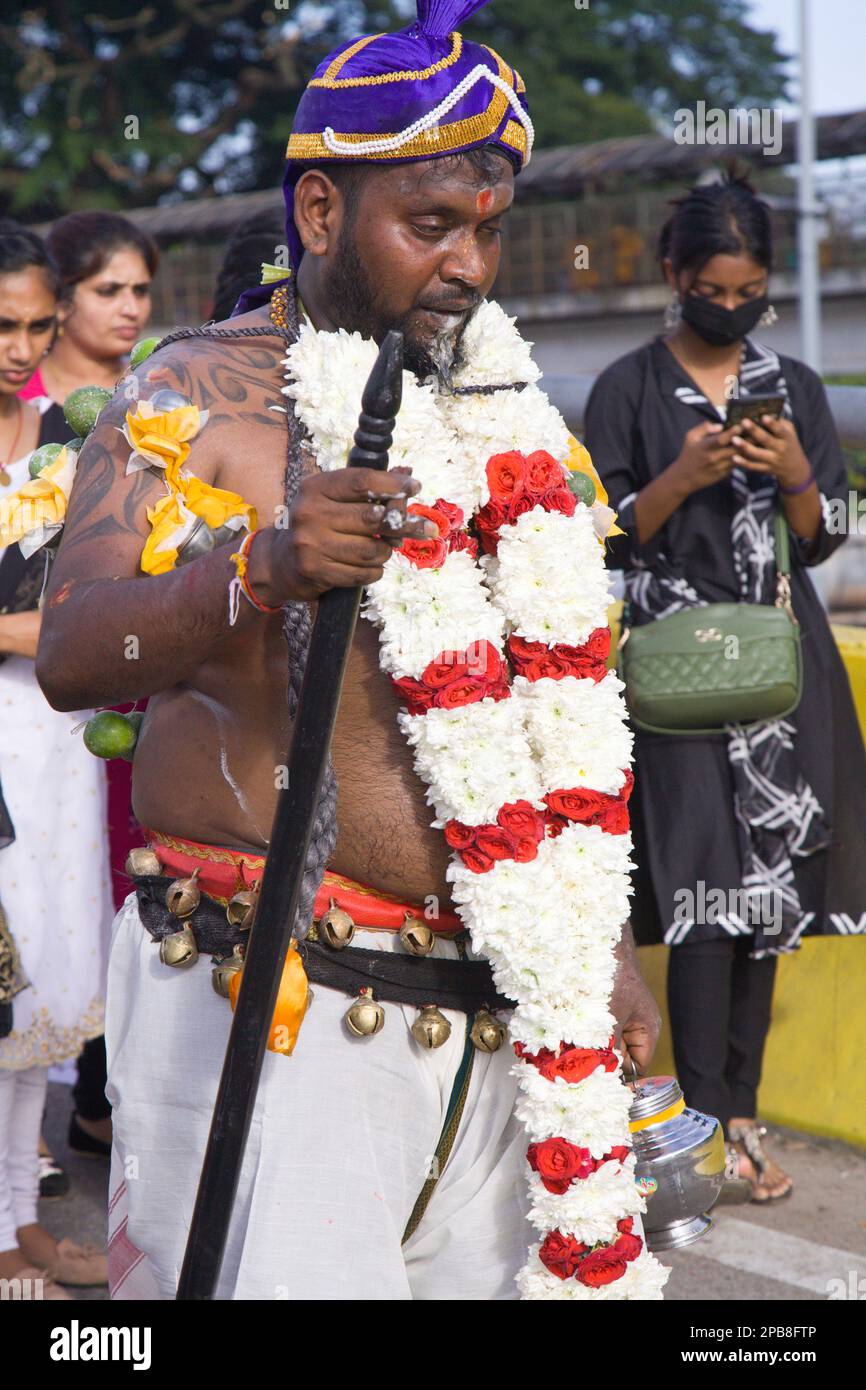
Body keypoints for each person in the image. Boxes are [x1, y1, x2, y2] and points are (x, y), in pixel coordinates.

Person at [38, 0, 662, 1302]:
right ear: (318, 214)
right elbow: (76, 652)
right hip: (276, 1008)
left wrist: (594, 947)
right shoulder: (191, 390)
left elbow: (563, 714)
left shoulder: (517, 420)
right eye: (427, 225)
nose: (469, 266)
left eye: (486, 229)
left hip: (504, 1015)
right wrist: (252, 573)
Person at [584, 171, 866, 1203]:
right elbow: (597, 533)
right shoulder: (624, 385)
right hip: (675, 673)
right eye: (715, 287)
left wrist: (792, 465)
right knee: (700, 895)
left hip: (781, 674)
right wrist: (680, 478)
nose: (735, 305)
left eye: (750, 292)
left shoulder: (791, 383)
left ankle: (736, 1117)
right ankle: (700, 1127)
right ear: (672, 277)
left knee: (768, 901)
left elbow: (822, 535)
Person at [0, 220, 112, 1296]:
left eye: (39, 323)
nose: (22, 346)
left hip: (56, 736)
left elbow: (101, 604)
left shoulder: (72, 439)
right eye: (2, 324)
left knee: (42, 982)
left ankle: (15, 1221)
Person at [18, 211, 157, 408]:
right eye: (108, 291)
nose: (132, 309)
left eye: (140, 290)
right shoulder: (14, 400)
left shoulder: (160, 389)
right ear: (59, 301)